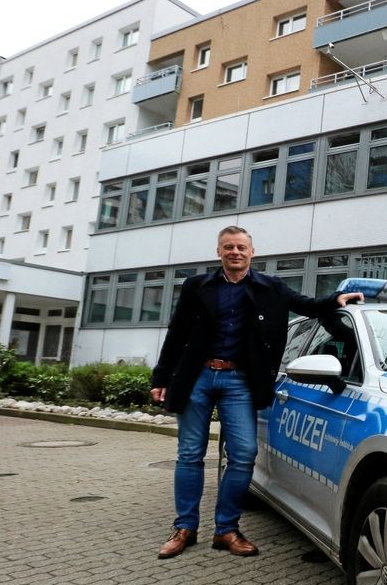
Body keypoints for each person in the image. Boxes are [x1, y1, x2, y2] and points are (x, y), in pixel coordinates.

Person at [150, 226, 363, 559]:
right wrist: (160, 377)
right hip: (197, 377)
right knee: (190, 453)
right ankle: (185, 528)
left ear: (252, 252)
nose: (235, 252)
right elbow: (176, 333)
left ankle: (226, 530)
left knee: (244, 453)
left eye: (241, 247)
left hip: (239, 381)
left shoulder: (270, 287)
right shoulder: (197, 286)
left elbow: (307, 305)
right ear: (219, 251)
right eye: (229, 247)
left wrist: (336, 300)